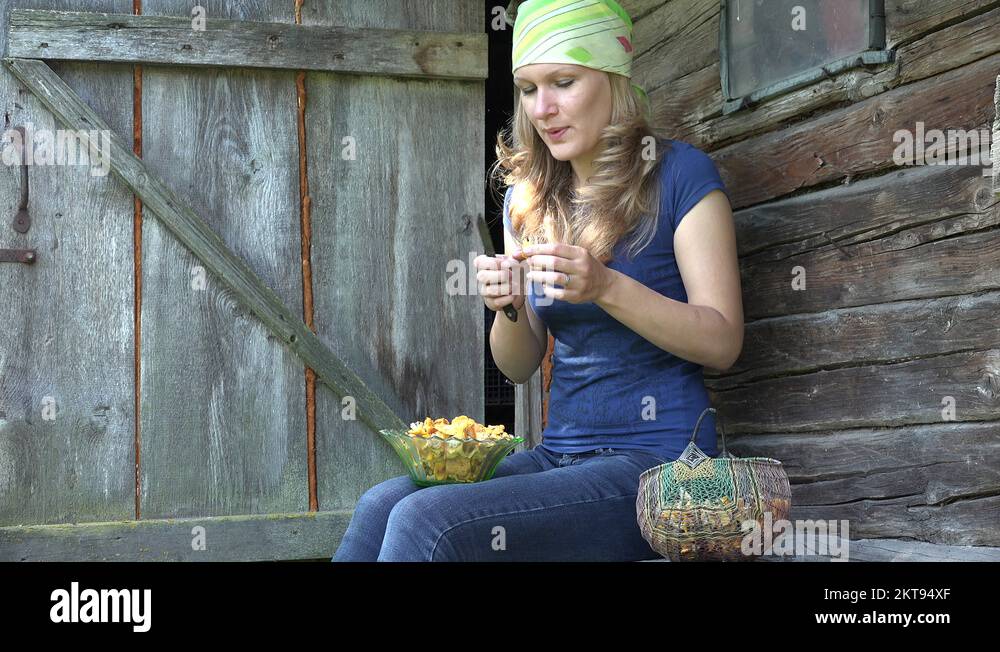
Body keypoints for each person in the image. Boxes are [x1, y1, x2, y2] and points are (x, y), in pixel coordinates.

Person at [332, 0, 743, 562]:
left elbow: (723, 343)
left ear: (614, 81)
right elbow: (519, 365)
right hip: (558, 457)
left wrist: (606, 287)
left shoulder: (680, 176)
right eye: (528, 89)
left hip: (663, 469)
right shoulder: (527, 199)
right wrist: (507, 308)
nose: (543, 108)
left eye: (564, 82)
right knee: (382, 502)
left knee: (428, 520)